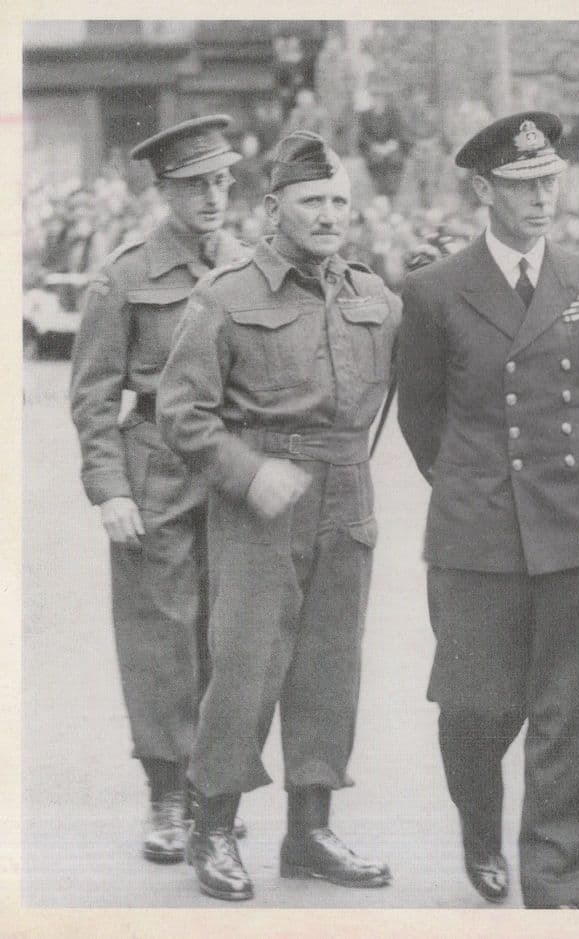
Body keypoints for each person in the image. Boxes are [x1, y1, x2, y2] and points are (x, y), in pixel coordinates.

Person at [158, 131, 399, 901]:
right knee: (245, 665)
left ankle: (310, 829)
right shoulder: (226, 294)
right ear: (272, 209)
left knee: (331, 663)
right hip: (260, 497)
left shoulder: (373, 295)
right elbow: (181, 413)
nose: (328, 215)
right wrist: (247, 471)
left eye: (338, 202)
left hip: (345, 491)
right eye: (311, 202)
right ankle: (214, 827)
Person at [396, 112, 579, 909]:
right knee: (474, 709)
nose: (541, 198)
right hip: (477, 532)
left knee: (565, 714)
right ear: (483, 189)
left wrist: (556, 484)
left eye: (549, 181)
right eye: (523, 185)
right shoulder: (433, 290)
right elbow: (421, 419)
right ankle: (480, 825)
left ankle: (554, 884)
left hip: (570, 526)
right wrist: (475, 483)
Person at [68, 115, 249, 866]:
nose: (212, 196)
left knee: (229, 634)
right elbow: (92, 394)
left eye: (221, 181)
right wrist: (108, 486)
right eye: (195, 184)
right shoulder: (126, 274)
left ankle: (215, 792)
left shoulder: (249, 262)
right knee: (161, 639)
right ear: (163, 188)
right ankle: (168, 796)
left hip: (231, 469)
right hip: (156, 469)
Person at [358, 88, 410, 198]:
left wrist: (390, 146)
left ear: (385, 100)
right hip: (374, 148)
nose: (378, 101)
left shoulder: (393, 113)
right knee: (376, 161)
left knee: (395, 160)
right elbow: (363, 135)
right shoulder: (365, 116)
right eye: (376, 98)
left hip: (391, 147)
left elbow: (399, 132)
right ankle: (380, 194)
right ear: (372, 100)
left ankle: (392, 194)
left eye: (381, 99)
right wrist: (374, 146)